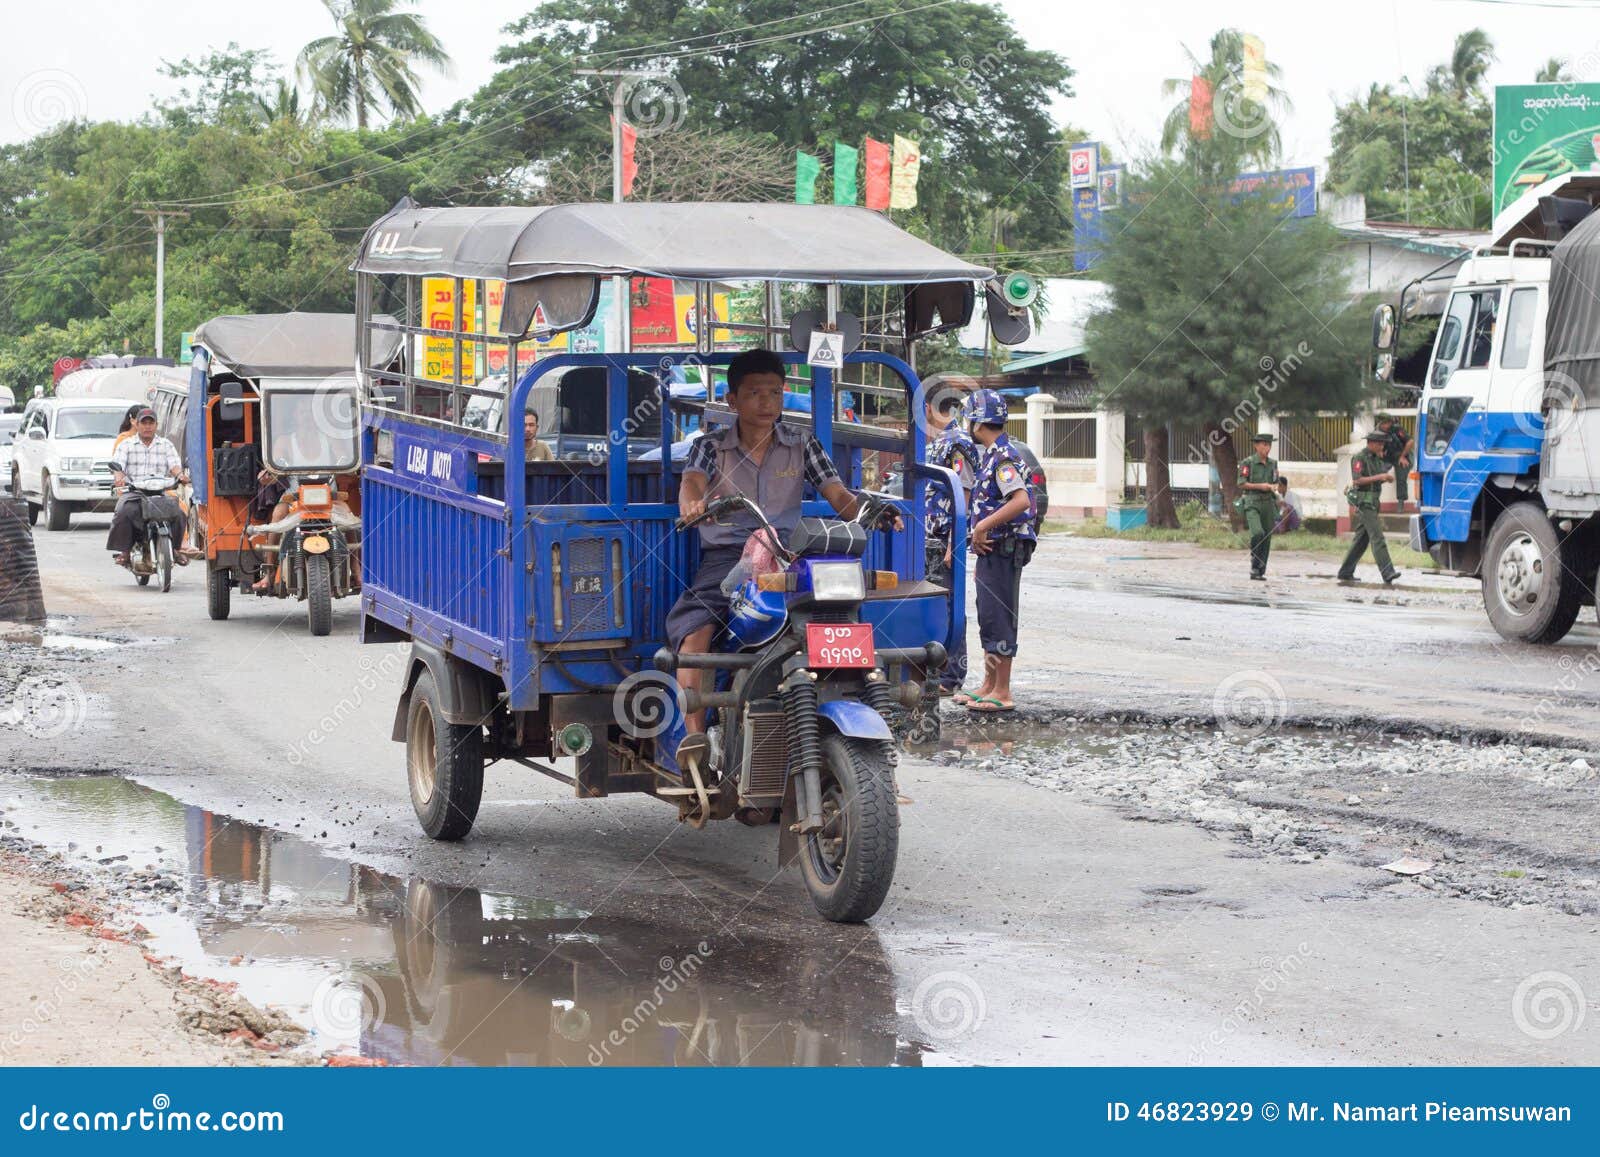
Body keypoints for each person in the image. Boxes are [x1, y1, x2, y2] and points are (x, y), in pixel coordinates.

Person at [667, 349, 869, 765]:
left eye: (775, 392)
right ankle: (695, 740)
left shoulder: (802, 444)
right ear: (732, 400)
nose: (767, 402)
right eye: (755, 393)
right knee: (696, 630)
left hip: (787, 554)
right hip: (729, 556)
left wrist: (868, 514)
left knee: (842, 615)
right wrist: (691, 504)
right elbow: (692, 482)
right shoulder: (710, 446)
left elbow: (837, 493)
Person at [962, 389, 1036, 714]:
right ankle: (989, 685)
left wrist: (981, 527)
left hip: (1005, 548)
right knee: (989, 615)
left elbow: (1021, 501)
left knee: (1000, 615)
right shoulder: (992, 454)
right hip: (992, 550)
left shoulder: (1003, 457)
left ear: (977, 421)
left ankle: (1003, 691)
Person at [922, 389, 979, 697]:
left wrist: (954, 544)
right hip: (933, 538)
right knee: (936, 605)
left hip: (947, 538)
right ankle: (940, 671)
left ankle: (952, 675)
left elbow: (964, 493)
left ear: (929, 408)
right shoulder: (941, 441)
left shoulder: (956, 443)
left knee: (950, 607)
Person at [107, 408, 188, 566]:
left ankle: (176, 549)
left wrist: (180, 476)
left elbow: (174, 466)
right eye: (144, 423)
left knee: (179, 513)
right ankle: (125, 551)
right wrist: (119, 478)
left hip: (160, 491)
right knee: (124, 512)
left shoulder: (166, 445)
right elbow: (118, 467)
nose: (147, 427)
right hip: (135, 491)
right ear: (136, 424)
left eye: (151, 423)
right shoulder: (127, 444)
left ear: (156, 425)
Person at [1338, 429, 1402, 585]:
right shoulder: (1359, 458)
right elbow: (1358, 480)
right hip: (1364, 503)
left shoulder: (1376, 459)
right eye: (1380, 443)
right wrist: (1381, 476)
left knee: (1361, 540)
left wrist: (1384, 478)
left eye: (1383, 443)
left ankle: (1345, 572)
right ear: (1371, 443)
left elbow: (1375, 479)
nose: (1382, 446)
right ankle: (1388, 572)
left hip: (1373, 502)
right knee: (1377, 537)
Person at [1236, 432, 1280, 580]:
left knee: (1267, 537)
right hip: (1252, 502)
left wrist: (1274, 488)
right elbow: (1241, 483)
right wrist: (1261, 486)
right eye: (1264, 444)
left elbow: (1275, 481)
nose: (1267, 448)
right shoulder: (1247, 463)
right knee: (1257, 533)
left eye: (1269, 445)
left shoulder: (1273, 463)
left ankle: (1260, 570)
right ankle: (1254, 564)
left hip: (1268, 503)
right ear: (1256, 445)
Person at [1377, 415, 1412, 505]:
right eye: (1381, 423)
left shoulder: (1397, 429)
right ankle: (1374, 498)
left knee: (1401, 476)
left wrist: (1403, 456)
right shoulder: (1378, 430)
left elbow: (1410, 441)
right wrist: (1379, 451)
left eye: (1385, 423)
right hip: (1387, 457)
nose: (1383, 426)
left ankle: (1401, 501)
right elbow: (1374, 443)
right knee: (1376, 473)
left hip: (1401, 456)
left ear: (1389, 423)